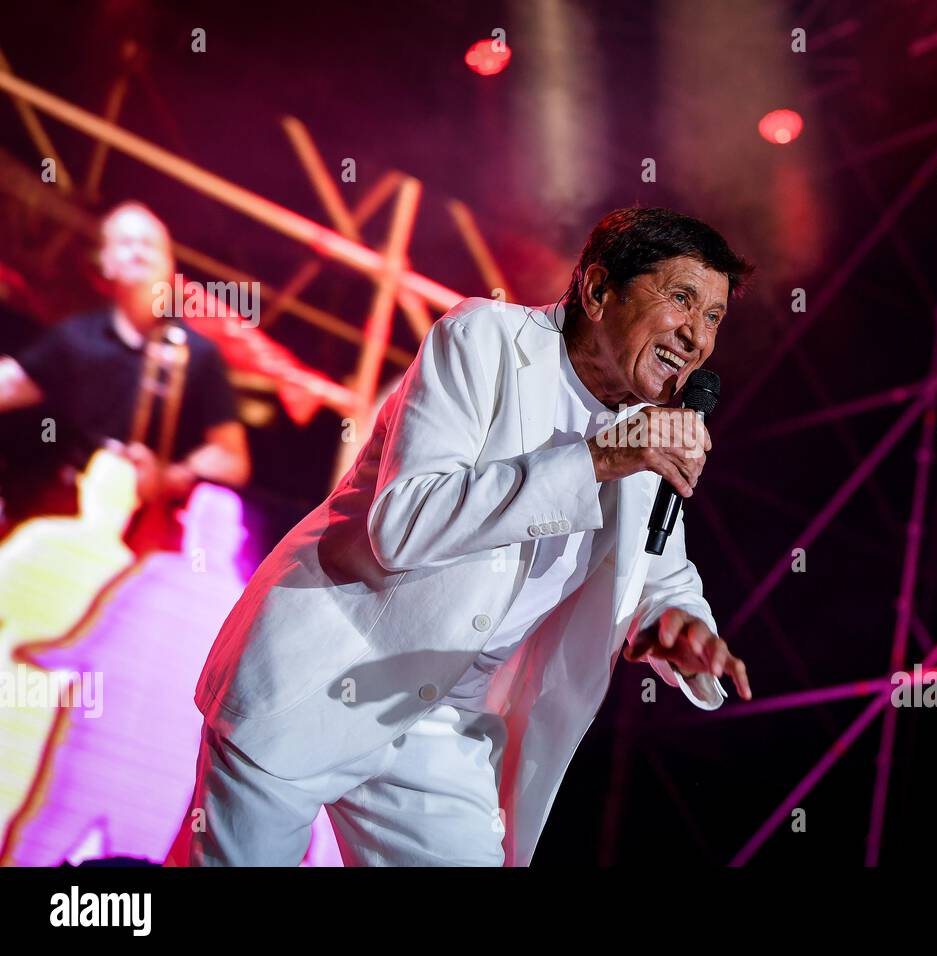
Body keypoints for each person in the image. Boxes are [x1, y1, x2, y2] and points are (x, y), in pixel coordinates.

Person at [167, 206, 754, 867]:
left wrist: (679, 623)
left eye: (713, 319)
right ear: (596, 289)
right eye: (682, 299)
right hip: (318, 678)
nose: (696, 336)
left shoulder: (647, 432)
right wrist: (597, 460)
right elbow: (403, 525)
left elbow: (658, 572)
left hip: (444, 725)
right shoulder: (484, 340)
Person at [0, 201, 250, 514]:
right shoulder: (73, 336)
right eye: (126, 242)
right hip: (63, 511)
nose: (138, 251)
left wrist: (171, 476)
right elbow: (9, 385)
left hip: (143, 527)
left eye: (150, 244)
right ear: (105, 261)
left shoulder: (200, 354)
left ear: (170, 266)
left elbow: (233, 459)